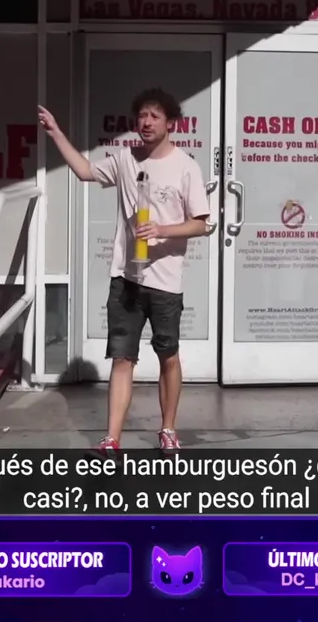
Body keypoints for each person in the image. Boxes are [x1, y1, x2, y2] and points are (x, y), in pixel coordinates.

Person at [37, 90, 210, 453]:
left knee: (168, 356)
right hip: (126, 279)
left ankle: (168, 429)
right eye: (142, 116)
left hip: (165, 281)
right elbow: (85, 171)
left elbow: (201, 223)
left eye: (154, 116)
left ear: (170, 123)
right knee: (122, 358)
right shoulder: (125, 159)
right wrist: (56, 133)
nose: (146, 123)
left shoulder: (186, 166)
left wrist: (162, 230)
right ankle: (112, 439)